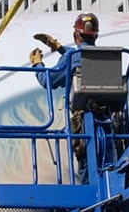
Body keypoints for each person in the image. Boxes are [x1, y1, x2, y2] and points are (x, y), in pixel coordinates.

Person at [30, 13, 103, 174]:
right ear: (96, 36)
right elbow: (81, 57)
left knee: (88, 171)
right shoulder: (106, 55)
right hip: (110, 123)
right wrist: (60, 48)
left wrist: (37, 64)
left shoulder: (72, 57)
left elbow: (47, 81)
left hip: (84, 125)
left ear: (75, 35)